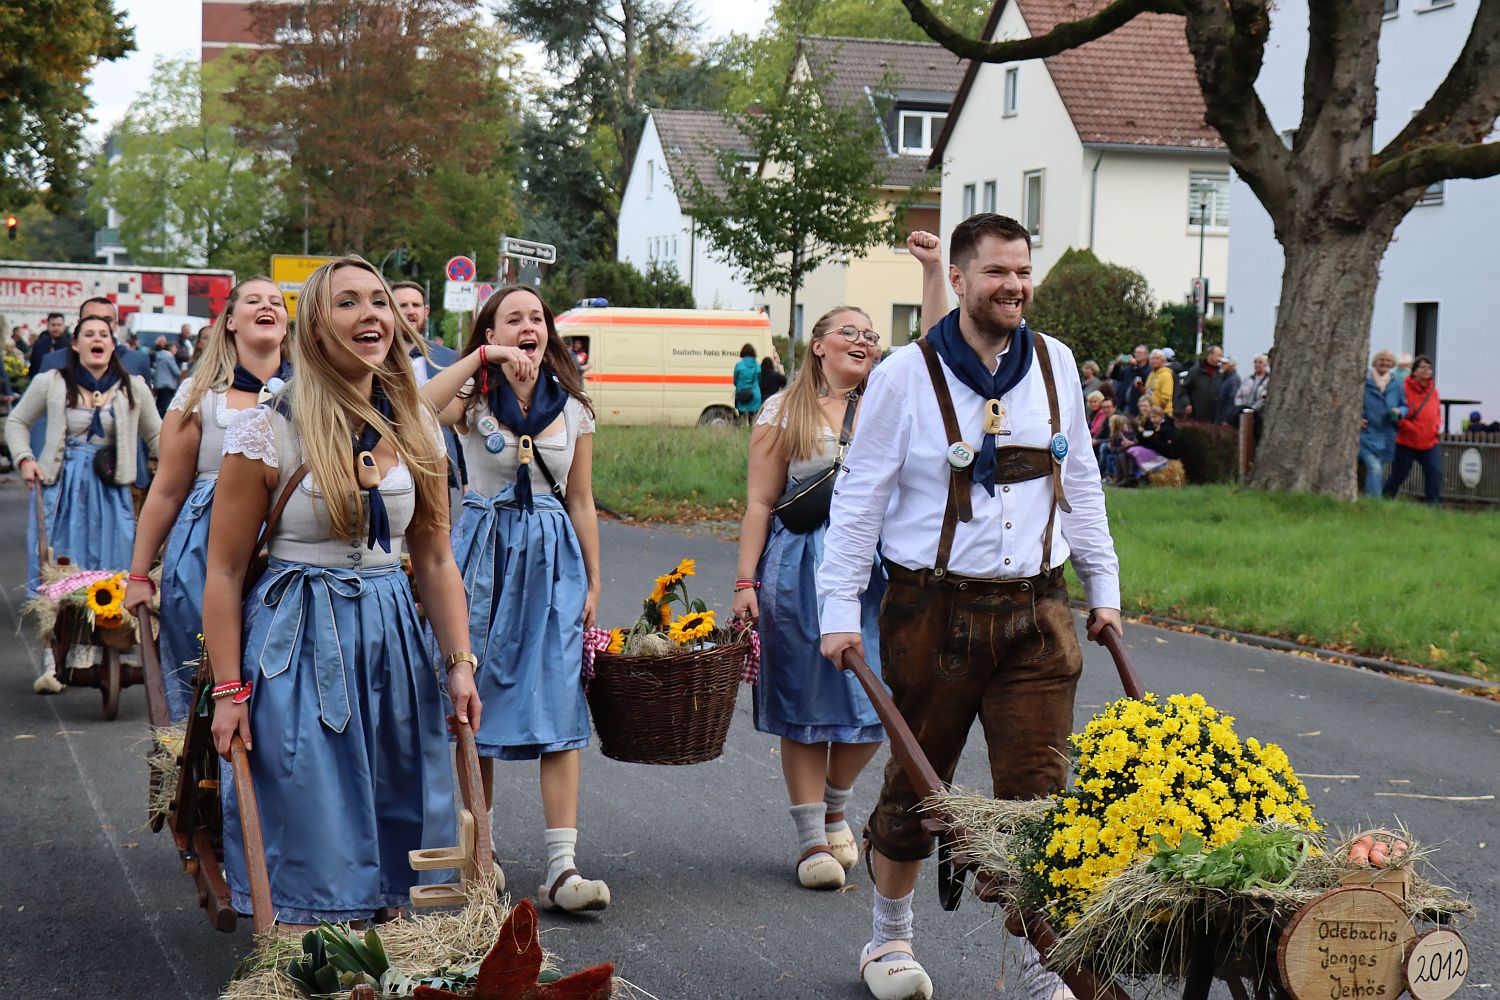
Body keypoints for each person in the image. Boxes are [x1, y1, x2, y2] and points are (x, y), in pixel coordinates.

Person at [818, 214, 1120, 1000]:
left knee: (1039, 799)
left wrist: (1105, 590)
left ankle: (1041, 966)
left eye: (1022, 271)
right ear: (957, 279)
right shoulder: (904, 376)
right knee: (920, 786)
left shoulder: (1055, 364)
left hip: (1039, 612)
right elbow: (858, 501)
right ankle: (889, 938)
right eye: (997, 272)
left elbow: (1082, 485)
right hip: (932, 611)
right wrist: (838, 612)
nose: (1014, 286)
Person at [201, 255, 480, 927]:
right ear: (317, 326)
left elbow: (435, 558)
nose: (370, 314)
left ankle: (391, 948)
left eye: (378, 301)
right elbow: (225, 571)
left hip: (391, 637)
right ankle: (310, 948)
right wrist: (229, 691)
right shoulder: (268, 427)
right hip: (297, 640)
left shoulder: (417, 426)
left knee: (398, 797)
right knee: (310, 804)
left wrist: (460, 663)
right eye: (348, 302)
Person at [421, 285, 610, 914]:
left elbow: (580, 499)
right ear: (491, 332)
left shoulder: (574, 407)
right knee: (474, 701)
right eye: (513, 318)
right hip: (483, 558)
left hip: (553, 562)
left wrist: (594, 580)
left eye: (536, 317)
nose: (528, 326)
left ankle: (562, 866)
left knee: (559, 699)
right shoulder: (472, 399)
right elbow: (417, 408)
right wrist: (481, 361)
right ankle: (483, 850)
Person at [732, 304, 885, 893]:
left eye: (870, 334)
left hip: (877, 570)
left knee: (878, 700)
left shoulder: (887, 404)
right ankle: (811, 839)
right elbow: (759, 503)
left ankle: (835, 805)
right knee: (803, 696)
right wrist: (745, 582)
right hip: (801, 564)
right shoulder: (783, 409)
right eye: (849, 331)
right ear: (818, 345)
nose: (862, 340)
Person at [123, 277, 291, 721]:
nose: (267, 306)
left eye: (276, 302)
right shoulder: (201, 395)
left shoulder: (313, 393)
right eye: (253, 300)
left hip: (287, 543)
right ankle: (200, 750)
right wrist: (138, 574)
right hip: (206, 545)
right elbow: (166, 490)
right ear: (230, 321)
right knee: (203, 668)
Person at [7, 315, 162, 691]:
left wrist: (175, 472)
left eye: (104, 335)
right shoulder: (52, 382)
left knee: (116, 566)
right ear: (75, 345)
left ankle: (114, 645)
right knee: (61, 566)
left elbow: (158, 436)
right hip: (63, 488)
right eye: (89, 334)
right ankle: (53, 658)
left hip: (111, 488)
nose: (97, 340)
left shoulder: (133, 388)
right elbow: (16, 422)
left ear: (113, 344)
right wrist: (25, 460)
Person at [1383, 355, 1441, 505]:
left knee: (1434, 473)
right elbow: (1396, 412)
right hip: (1406, 441)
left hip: (1429, 442)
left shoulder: (1434, 392)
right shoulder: (1403, 389)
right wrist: (1408, 427)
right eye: (1422, 367)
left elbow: (1437, 412)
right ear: (1414, 371)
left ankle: (1433, 507)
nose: (1426, 370)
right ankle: (1384, 500)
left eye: (1429, 367)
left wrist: (1435, 428)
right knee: (1399, 474)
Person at [1358, 349, 1404, 498]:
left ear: (1392, 364)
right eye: (1381, 360)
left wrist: (1399, 411)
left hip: (1386, 436)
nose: (1385, 363)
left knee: (1378, 470)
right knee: (1375, 468)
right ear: (1375, 362)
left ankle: (1368, 499)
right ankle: (1375, 501)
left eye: (1388, 360)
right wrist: (1357, 419)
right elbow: (1353, 404)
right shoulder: (1364, 382)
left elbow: (1405, 405)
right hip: (1366, 435)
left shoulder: (1396, 385)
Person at [1175, 344, 1222, 420]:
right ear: (1210, 355)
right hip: (1197, 414)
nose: (1220, 358)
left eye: (1221, 356)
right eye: (1218, 355)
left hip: (1215, 415)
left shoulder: (1220, 373)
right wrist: (1187, 403)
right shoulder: (1195, 371)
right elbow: (1183, 390)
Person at [150, 336, 181, 415]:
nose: (176, 350)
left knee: (159, 404)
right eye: (174, 348)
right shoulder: (169, 356)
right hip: (168, 384)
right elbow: (176, 371)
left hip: (158, 384)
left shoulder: (158, 354)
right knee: (165, 406)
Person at [29, 313, 66, 377]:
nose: (56, 328)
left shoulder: (69, 344)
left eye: (59, 325)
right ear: (48, 325)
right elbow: (34, 366)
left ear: (63, 326)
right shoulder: (39, 344)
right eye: (53, 325)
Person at [1143, 348, 1175, 416]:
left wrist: (1157, 411)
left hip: (1163, 413)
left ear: (1163, 361)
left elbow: (1166, 398)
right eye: (1152, 359)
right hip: (1151, 412)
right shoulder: (1151, 374)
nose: (1154, 361)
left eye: (1157, 358)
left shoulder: (1166, 374)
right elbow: (1147, 391)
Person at [734, 342, 761, 421]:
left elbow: (735, 381)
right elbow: (759, 379)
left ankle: (742, 428)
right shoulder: (757, 365)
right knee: (752, 419)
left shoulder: (739, 365)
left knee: (741, 418)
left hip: (742, 394)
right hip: (754, 394)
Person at [1214, 356, 1242, 426]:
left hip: (1225, 420)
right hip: (1219, 417)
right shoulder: (1224, 377)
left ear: (1231, 365)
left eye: (1224, 363)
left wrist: (1227, 419)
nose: (1222, 365)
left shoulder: (1234, 380)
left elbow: (1232, 401)